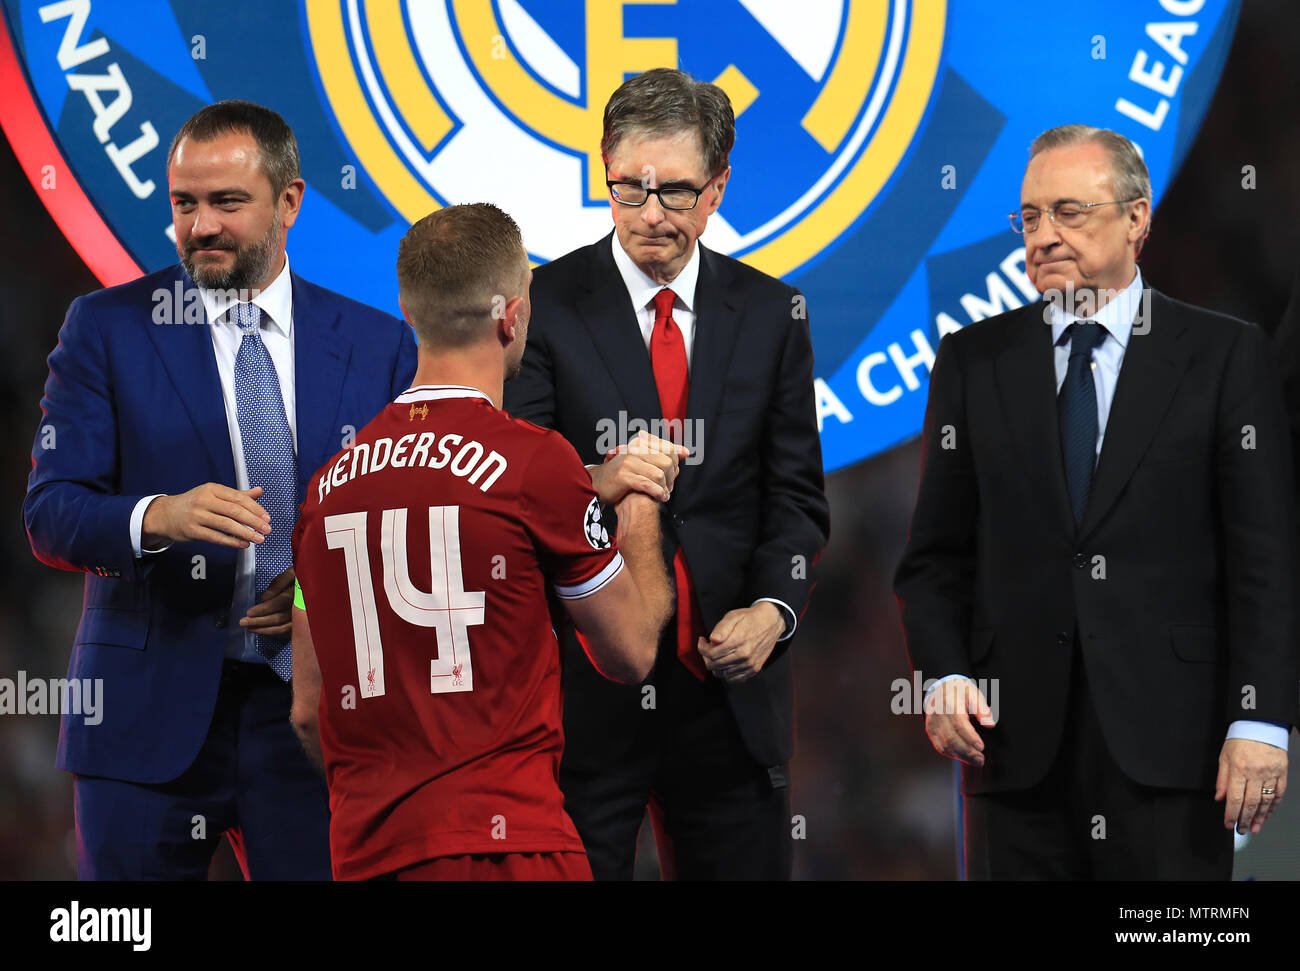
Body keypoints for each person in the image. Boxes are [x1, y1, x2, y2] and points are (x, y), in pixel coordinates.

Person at [23, 100, 417, 879]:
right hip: (142, 718)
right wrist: (156, 516)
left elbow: (410, 519)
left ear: (290, 202)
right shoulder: (105, 328)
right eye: (184, 203)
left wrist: (324, 583)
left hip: (314, 714)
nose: (200, 226)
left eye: (227, 203)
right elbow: (50, 513)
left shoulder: (379, 343)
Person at [894, 124, 1297, 879]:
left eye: (1070, 212)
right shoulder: (971, 361)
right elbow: (932, 559)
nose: (1044, 236)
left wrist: (1261, 715)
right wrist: (943, 672)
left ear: (1137, 218)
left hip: (1174, 755)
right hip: (1010, 757)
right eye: (1031, 217)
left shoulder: (1223, 355)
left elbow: (1265, 559)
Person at [504, 68, 830, 880]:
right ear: (604, 173)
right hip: (583, 698)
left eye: (678, 193)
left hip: (730, 702)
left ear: (718, 187)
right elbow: (511, 489)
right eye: (629, 189)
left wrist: (773, 609)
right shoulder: (539, 303)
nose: (650, 214)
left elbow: (795, 499)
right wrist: (598, 476)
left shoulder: (772, 313)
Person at [288, 203, 674, 881]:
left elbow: (306, 712)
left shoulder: (323, 494)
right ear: (512, 315)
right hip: (508, 847)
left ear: (409, 313)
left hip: (369, 852)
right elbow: (633, 649)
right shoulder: (536, 463)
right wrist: (638, 504)